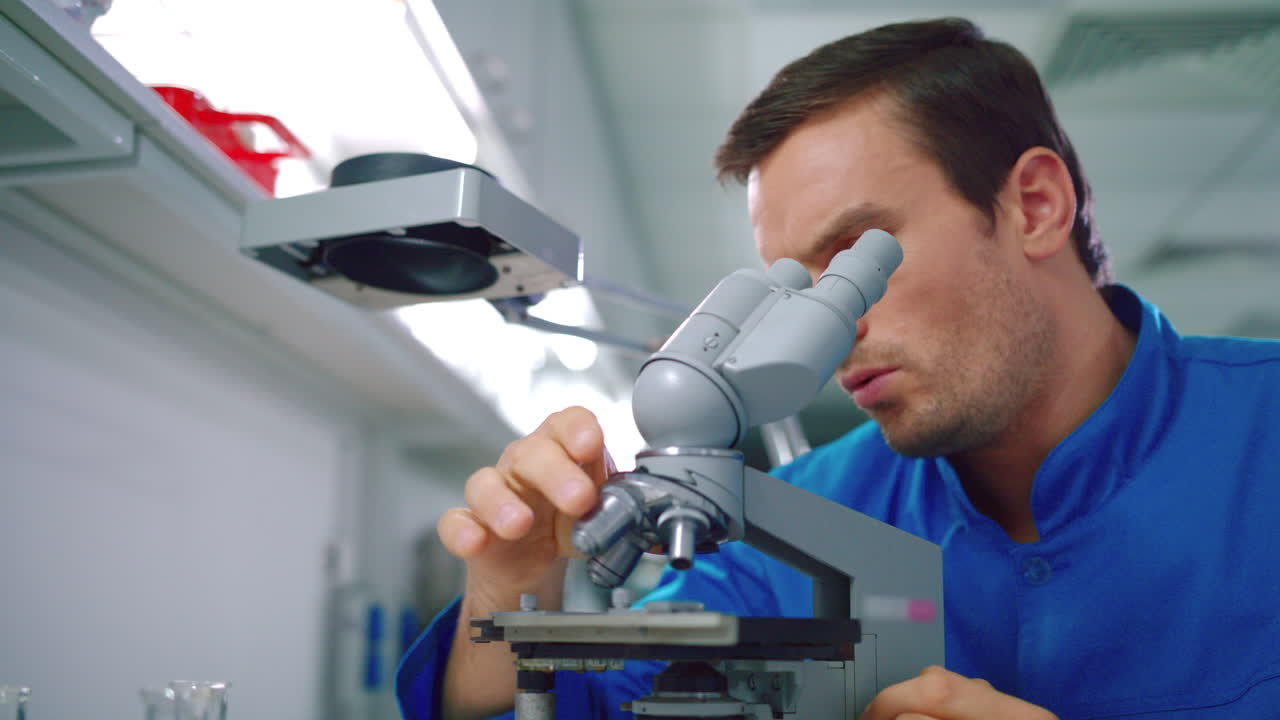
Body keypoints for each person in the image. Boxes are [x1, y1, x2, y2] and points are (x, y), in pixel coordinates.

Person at [398, 17, 1280, 720]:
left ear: (1036, 206)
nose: (826, 333)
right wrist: (511, 588)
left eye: (857, 256)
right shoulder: (797, 518)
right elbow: (582, 704)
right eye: (792, 287)